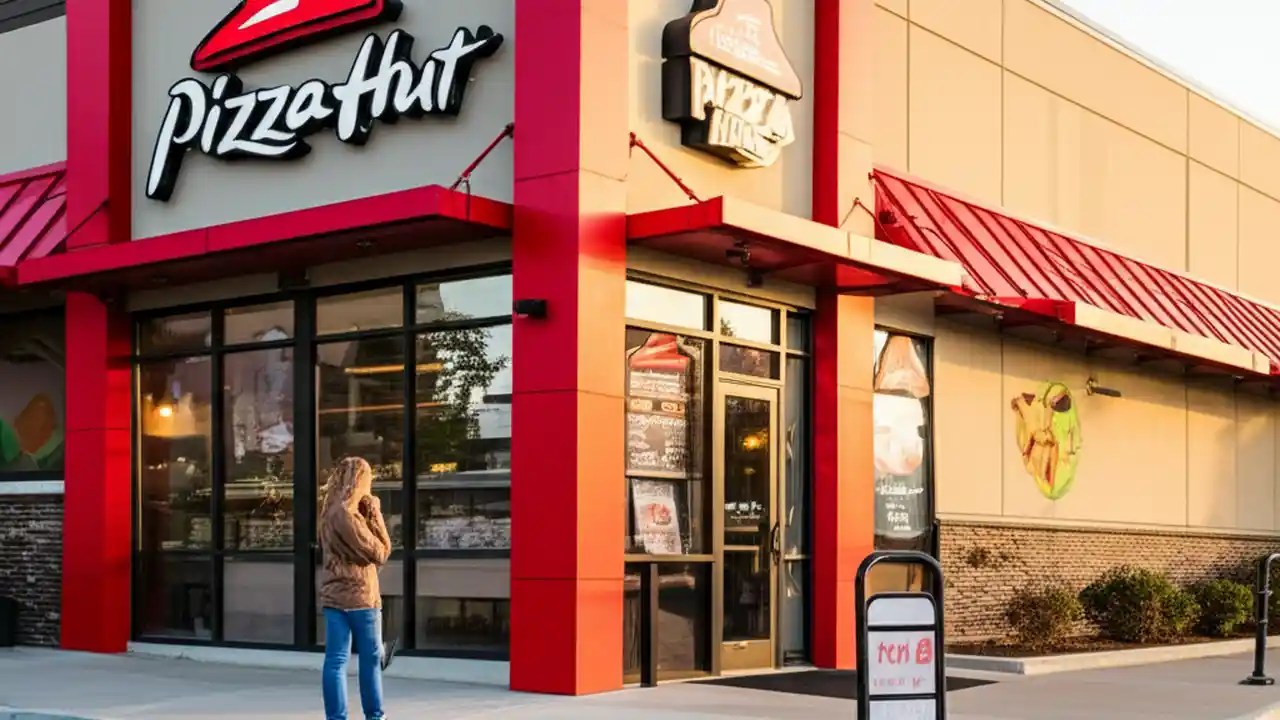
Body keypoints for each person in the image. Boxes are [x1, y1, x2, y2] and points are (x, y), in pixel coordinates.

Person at [319, 457, 397, 720]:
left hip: (334, 596)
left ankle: (336, 717)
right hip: (361, 598)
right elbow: (381, 551)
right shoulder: (347, 515)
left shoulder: (328, 511)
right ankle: (375, 716)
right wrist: (375, 511)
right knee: (370, 660)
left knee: (335, 661)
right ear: (360, 481)